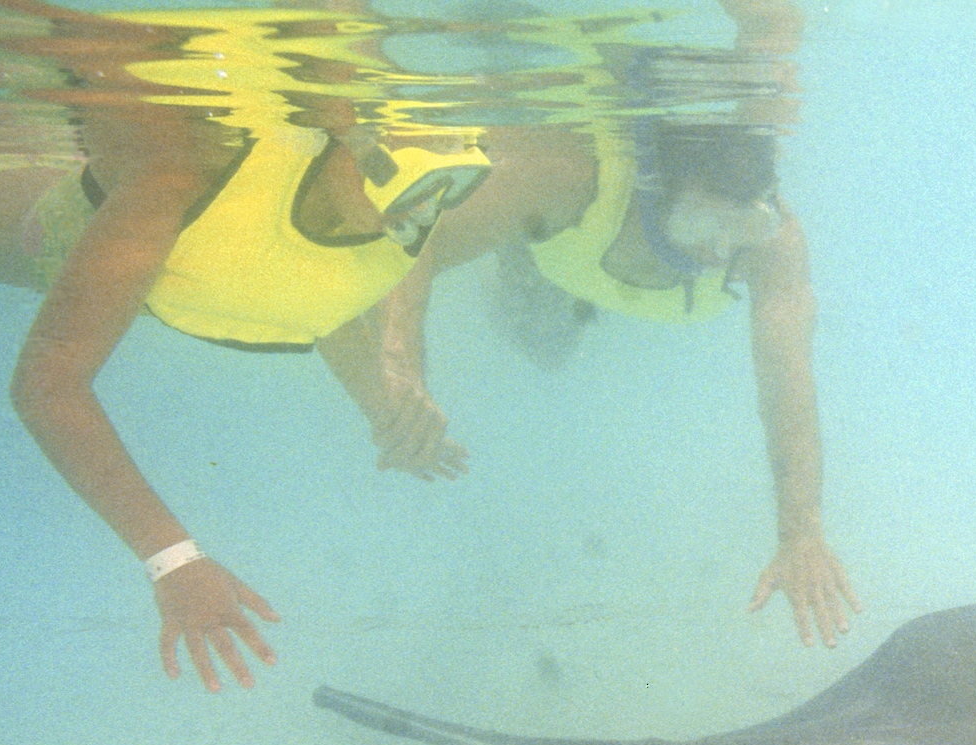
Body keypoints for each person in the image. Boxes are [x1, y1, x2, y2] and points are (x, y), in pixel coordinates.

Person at [0, 2, 490, 690]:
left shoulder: (405, 202)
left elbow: (321, 290)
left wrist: (390, 398)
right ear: (342, 131)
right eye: (402, 175)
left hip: (138, 208)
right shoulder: (182, 173)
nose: (421, 206)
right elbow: (47, 383)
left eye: (447, 178)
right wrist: (173, 560)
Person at [323, 1, 862, 648]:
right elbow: (409, 229)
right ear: (660, 191)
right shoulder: (568, 175)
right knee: (539, 336)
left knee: (555, 343)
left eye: (742, 229)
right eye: (706, 226)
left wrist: (800, 533)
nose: (721, 254)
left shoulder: (771, 245)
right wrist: (399, 372)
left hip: (585, 254)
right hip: (553, 243)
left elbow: (788, 387)